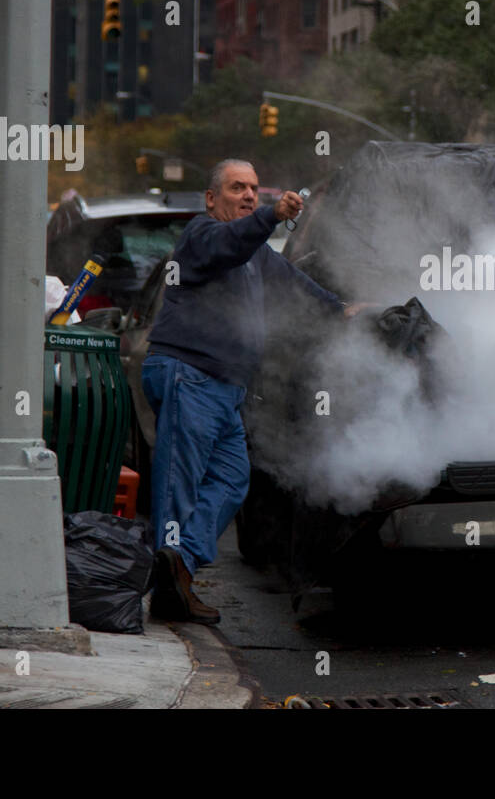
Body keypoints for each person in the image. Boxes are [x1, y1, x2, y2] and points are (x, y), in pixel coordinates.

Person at [142, 159, 352, 624]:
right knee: (180, 487)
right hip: (189, 374)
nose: (249, 195)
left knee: (234, 480)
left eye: (255, 189)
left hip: (224, 387)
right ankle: (167, 585)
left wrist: (341, 311)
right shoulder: (204, 235)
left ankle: (178, 565)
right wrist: (272, 216)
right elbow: (230, 244)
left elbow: (294, 286)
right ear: (211, 199)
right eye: (238, 187)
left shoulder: (256, 253)